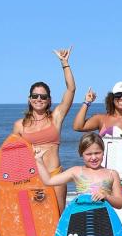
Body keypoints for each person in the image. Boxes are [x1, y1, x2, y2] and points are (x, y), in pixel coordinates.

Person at [11, 48, 77, 211]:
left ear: (49, 100)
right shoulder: (20, 125)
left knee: (57, 217)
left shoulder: (56, 118)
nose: (39, 99)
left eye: (43, 96)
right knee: (34, 221)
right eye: (35, 96)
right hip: (31, 178)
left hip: (54, 175)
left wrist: (64, 64)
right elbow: (13, 157)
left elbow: (71, 90)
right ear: (29, 99)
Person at [73, 81, 122, 158]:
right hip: (104, 168)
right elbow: (78, 127)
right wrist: (87, 102)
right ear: (112, 98)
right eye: (118, 95)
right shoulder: (101, 119)